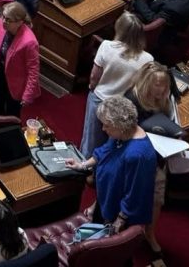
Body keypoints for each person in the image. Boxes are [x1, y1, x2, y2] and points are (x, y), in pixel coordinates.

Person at [65, 96, 158, 237]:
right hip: (106, 200)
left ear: (120, 126)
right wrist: (81, 165)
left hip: (118, 213)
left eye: (106, 125)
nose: (103, 129)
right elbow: (104, 151)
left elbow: (135, 193)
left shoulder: (138, 155)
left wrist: (120, 220)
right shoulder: (121, 134)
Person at [81, 11, 151, 157]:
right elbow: (139, 86)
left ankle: (85, 167)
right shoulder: (148, 59)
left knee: (91, 139)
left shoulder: (107, 46)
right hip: (122, 107)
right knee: (113, 144)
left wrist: (92, 88)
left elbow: (95, 75)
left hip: (99, 98)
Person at [0, 1, 39, 117]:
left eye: (8, 20)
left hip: (16, 84)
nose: (3, 21)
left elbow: (33, 72)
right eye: (3, 17)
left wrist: (27, 95)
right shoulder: (1, 24)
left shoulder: (29, 42)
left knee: (12, 115)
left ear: (20, 22)